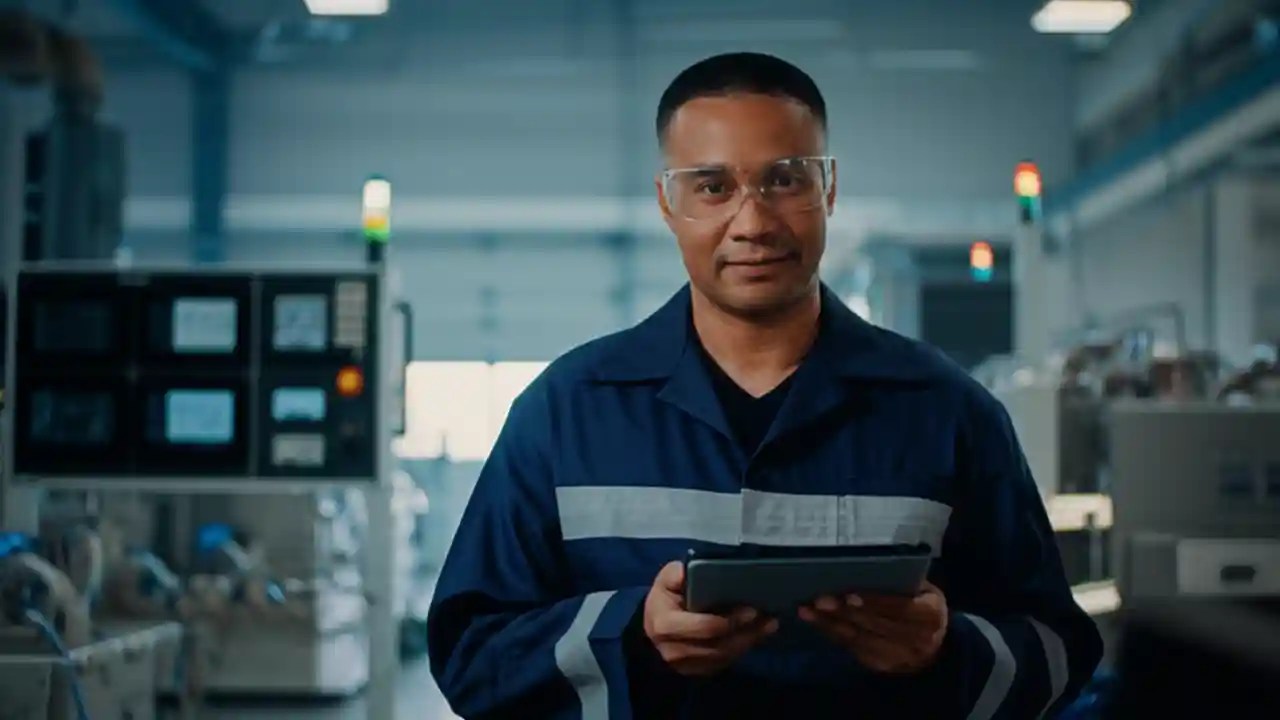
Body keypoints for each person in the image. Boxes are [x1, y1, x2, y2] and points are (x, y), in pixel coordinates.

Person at [427, 51, 1103, 719]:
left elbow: (1058, 652)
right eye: (712, 186)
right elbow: (470, 656)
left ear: (829, 190)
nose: (752, 223)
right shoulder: (565, 412)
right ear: (668, 202)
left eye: (784, 180)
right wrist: (631, 637)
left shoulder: (950, 413)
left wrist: (945, 650)